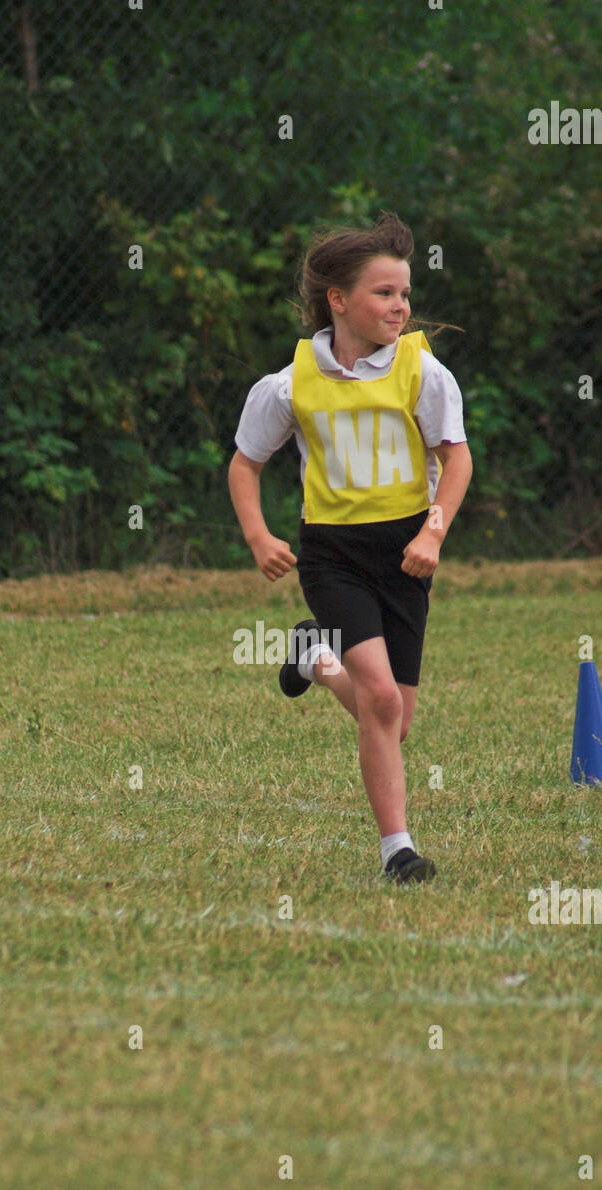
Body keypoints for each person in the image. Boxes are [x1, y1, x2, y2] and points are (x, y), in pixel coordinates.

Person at [227, 212, 472, 883]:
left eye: (404, 293)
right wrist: (258, 534)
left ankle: (313, 657)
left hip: (404, 551)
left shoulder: (424, 373)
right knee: (383, 703)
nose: (400, 306)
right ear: (338, 301)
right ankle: (397, 850)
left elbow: (456, 459)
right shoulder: (289, 383)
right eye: (383, 293)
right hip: (332, 555)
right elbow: (245, 464)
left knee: (395, 720)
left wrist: (432, 531)